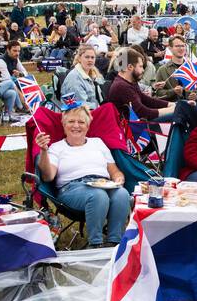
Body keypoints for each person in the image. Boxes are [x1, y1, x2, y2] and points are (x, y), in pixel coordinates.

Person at [34, 105, 130, 248]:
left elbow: (114, 171)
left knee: (122, 194)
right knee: (98, 196)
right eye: (71, 122)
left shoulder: (98, 143)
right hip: (72, 189)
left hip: (103, 183)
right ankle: (95, 244)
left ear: (88, 125)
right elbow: (48, 177)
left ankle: (114, 242)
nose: (76, 126)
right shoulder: (56, 148)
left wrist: (118, 179)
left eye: (81, 122)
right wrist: (43, 151)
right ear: (64, 124)